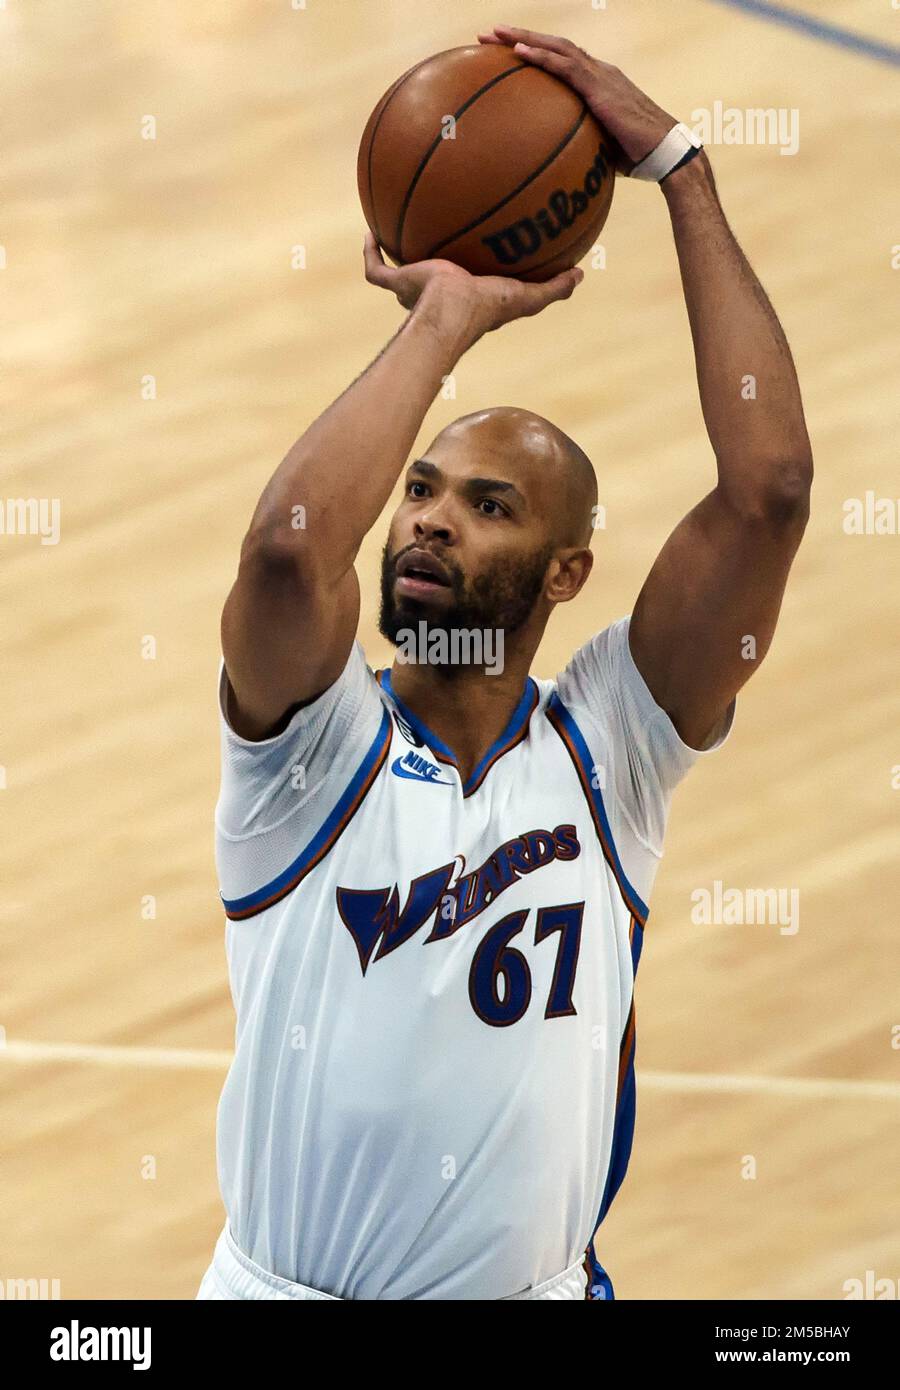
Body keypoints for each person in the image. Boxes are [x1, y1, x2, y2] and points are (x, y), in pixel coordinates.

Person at [196, 24, 812, 1301]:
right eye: (421, 488)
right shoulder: (309, 751)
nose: (427, 517)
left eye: (487, 505)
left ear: (567, 572)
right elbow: (284, 557)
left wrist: (685, 172)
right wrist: (445, 323)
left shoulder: (611, 752)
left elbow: (770, 494)